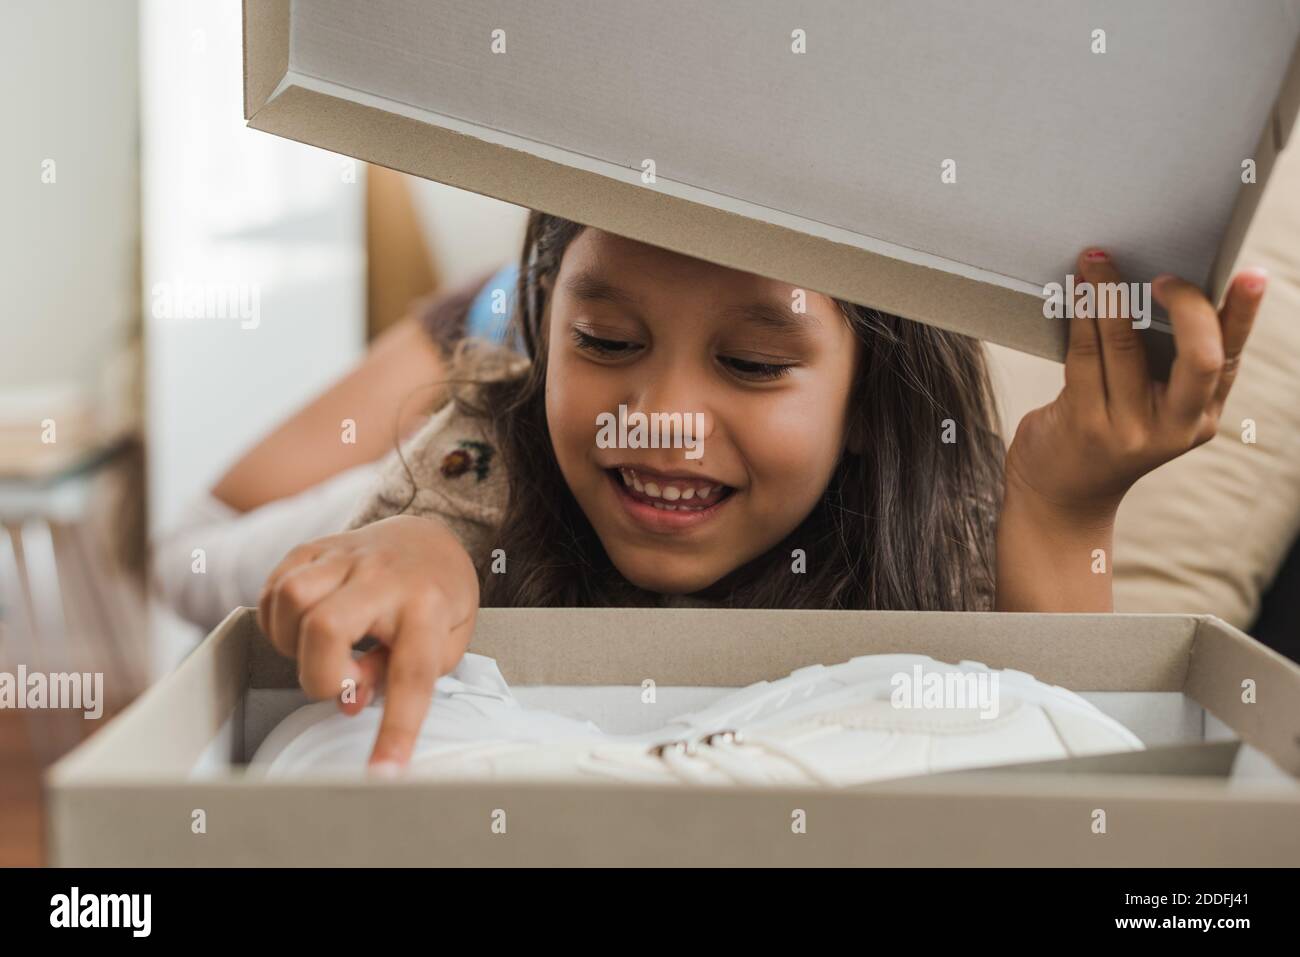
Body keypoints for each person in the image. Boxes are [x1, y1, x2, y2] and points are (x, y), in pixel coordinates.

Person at [251, 213, 1266, 771]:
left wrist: (1066, 509)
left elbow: (1074, 780)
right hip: (359, 485)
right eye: (605, 343)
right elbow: (358, 604)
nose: (661, 419)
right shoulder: (483, 446)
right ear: (548, 324)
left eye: (748, 362)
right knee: (204, 543)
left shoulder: (945, 527)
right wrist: (425, 540)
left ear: (868, 396)